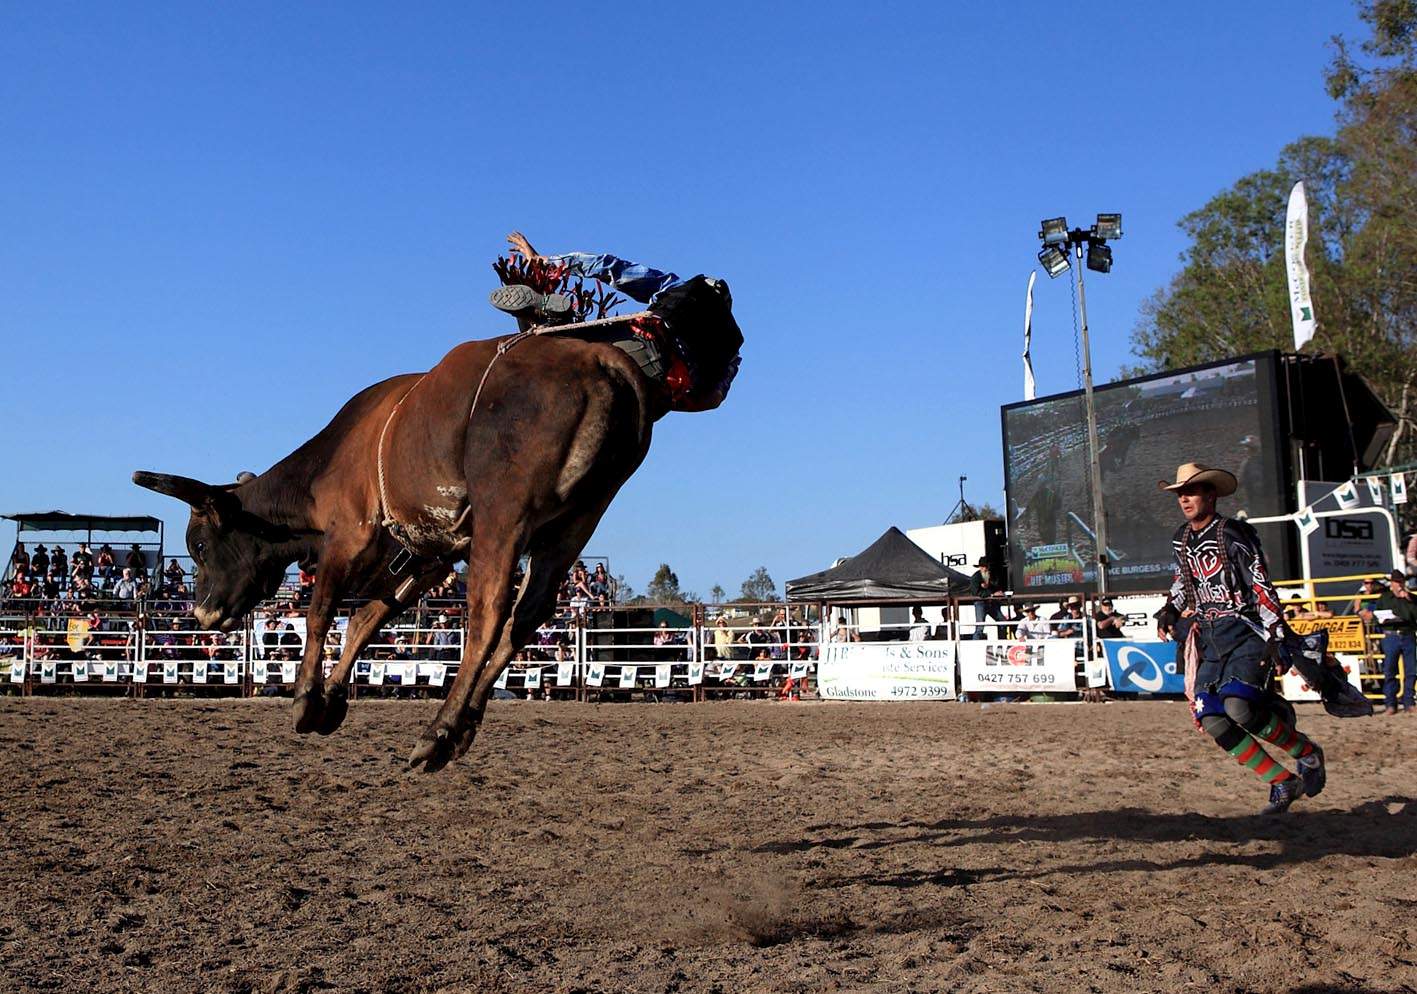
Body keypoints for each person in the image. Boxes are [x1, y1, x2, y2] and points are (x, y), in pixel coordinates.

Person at [1157, 462, 1324, 814]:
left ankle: (1306, 753)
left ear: (1210, 495)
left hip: (1245, 631)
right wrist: (1170, 608)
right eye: (1180, 494)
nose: (1184, 499)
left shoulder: (1234, 533)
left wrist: (1275, 632)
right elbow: (1182, 582)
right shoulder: (1181, 538)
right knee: (1211, 717)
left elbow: (1260, 583)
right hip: (1209, 637)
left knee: (1238, 707)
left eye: (1191, 492)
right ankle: (1282, 781)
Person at [499, 232, 743, 413]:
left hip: (642, 337)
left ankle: (549, 312)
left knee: (555, 344)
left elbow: (611, 266)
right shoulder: (732, 349)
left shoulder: (678, 287)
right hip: (662, 384)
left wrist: (546, 263)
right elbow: (712, 400)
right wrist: (667, 402)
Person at [1360, 569, 1417, 716]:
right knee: (1390, 671)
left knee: (1411, 670)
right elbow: (1376, 615)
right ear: (1392, 583)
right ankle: (1391, 704)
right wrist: (1374, 617)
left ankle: (1409, 702)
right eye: (1396, 582)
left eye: (1401, 582)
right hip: (1391, 636)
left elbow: (1414, 616)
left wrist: (1408, 599)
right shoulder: (1384, 598)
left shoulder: (1411, 598)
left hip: (1407, 634)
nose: (1399, 585)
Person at [970, 558, 1004, 639]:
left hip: (991, 602)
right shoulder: (975, 577)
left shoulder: (991, 575)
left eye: (986, 567)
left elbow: (996, 586)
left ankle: (1002, 642)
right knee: (980, 626)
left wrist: (998, 592)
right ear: (980, 567)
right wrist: (992, 594)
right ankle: (975, 645)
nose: (985, 569)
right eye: (983, 567)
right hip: (980, 603)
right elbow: (976, 593)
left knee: (1002, 622)